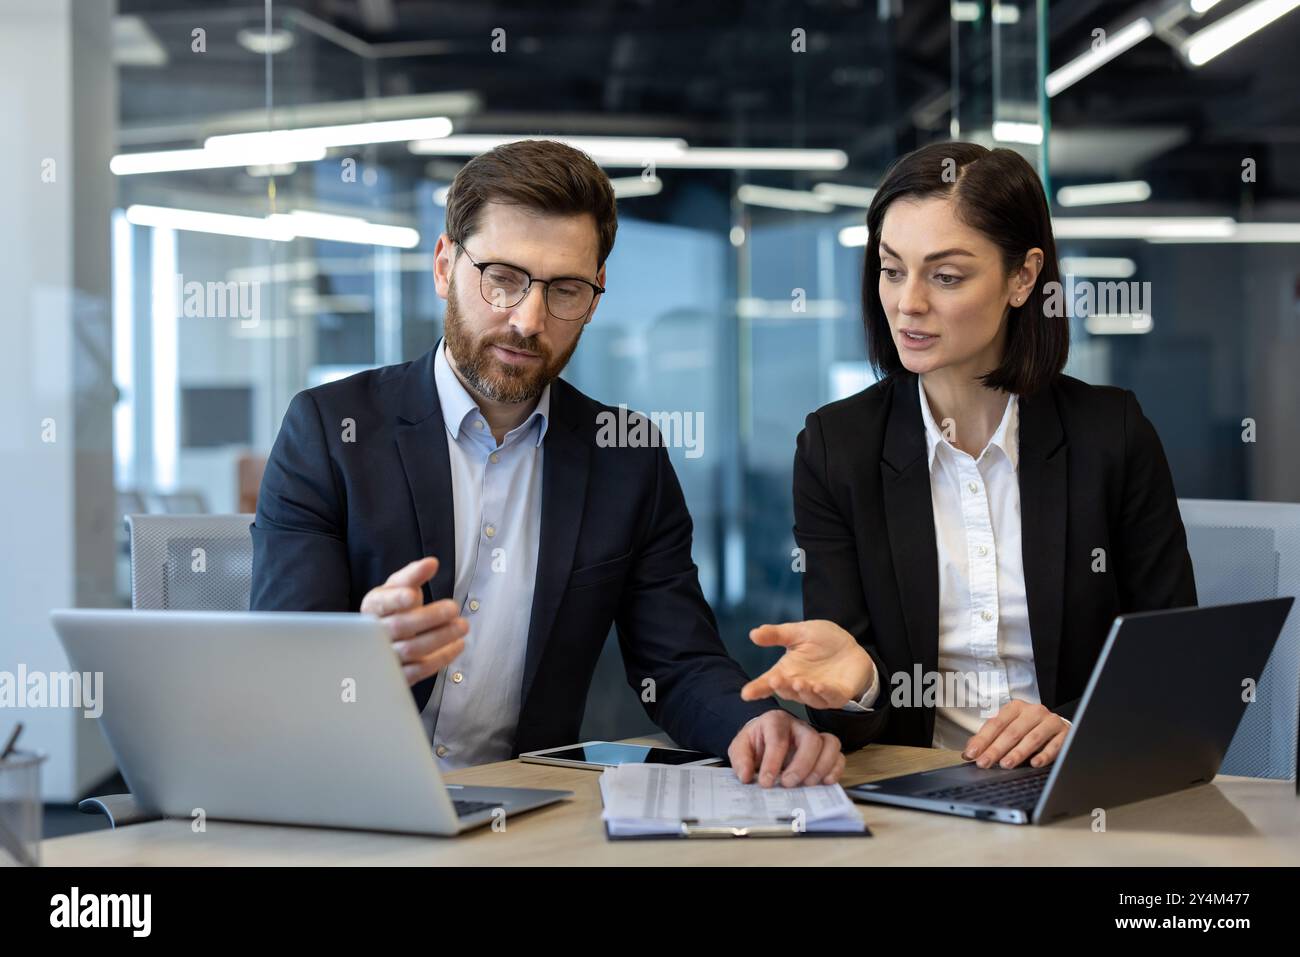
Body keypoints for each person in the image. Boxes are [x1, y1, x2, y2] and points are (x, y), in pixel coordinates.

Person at [251, 139, 844, 788]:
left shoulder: (626, 457)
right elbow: (279, 672)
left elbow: (678, 664)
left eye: (564, 289)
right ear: (445, 265)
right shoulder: (331, 433)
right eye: (501, 278)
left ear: (595, 297)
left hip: (526, 818)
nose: (528, 320)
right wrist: (356, 655)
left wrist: (750, 724)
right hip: (349, 802)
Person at [741, 141, 1197, 771]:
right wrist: (860, 682)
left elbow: (1174, 660)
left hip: (1076, 787)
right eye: (892, 269)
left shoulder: (1110, 434)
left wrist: (1074, 723)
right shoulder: (836, 448)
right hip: (916, 798)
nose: (908, 303)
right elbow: (843, 713)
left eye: (946, 276)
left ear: (1023, 277)